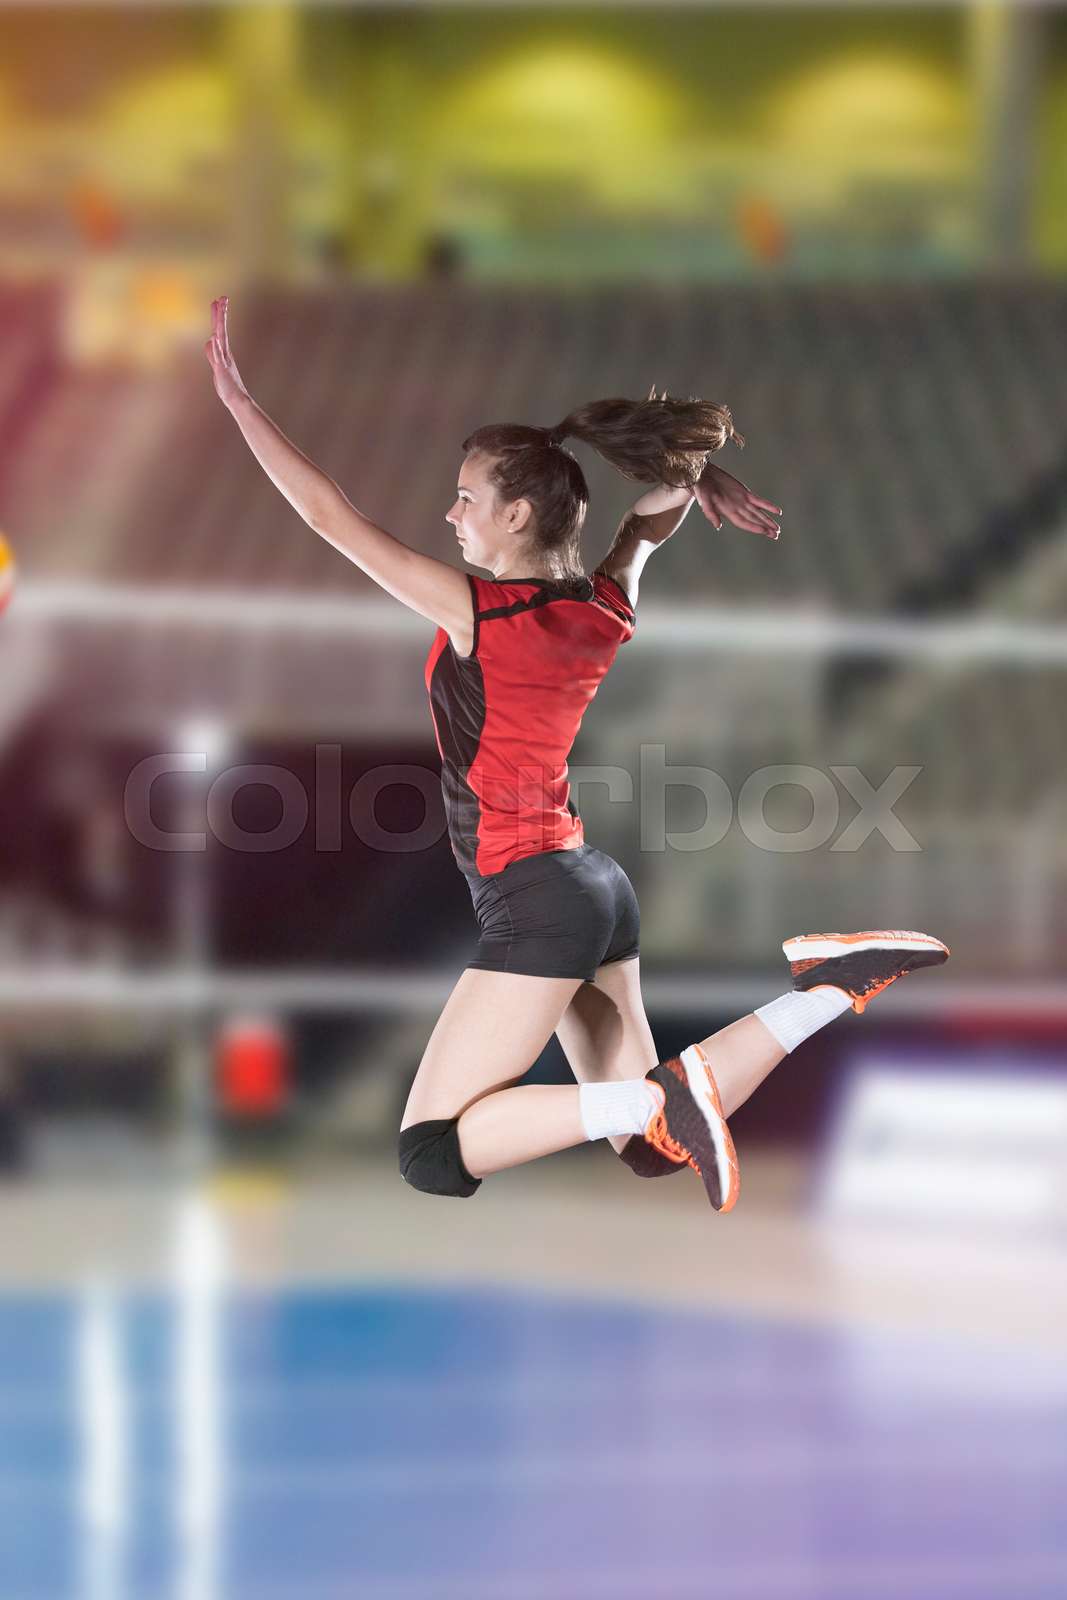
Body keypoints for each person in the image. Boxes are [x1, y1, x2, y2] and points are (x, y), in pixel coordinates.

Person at [206, 296, 949, 1212]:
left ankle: (652, 1096)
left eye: (467, 498)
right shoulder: (601, 609)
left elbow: (330, 520)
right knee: (647, 1149)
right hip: (589, 884)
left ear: (517, 513)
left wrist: (242, 407)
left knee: (431, 1152)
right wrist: (696, 476)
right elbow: (647, 522)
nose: (450, 515)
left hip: (538, 897)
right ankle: (831, 987)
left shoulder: (486, 617)